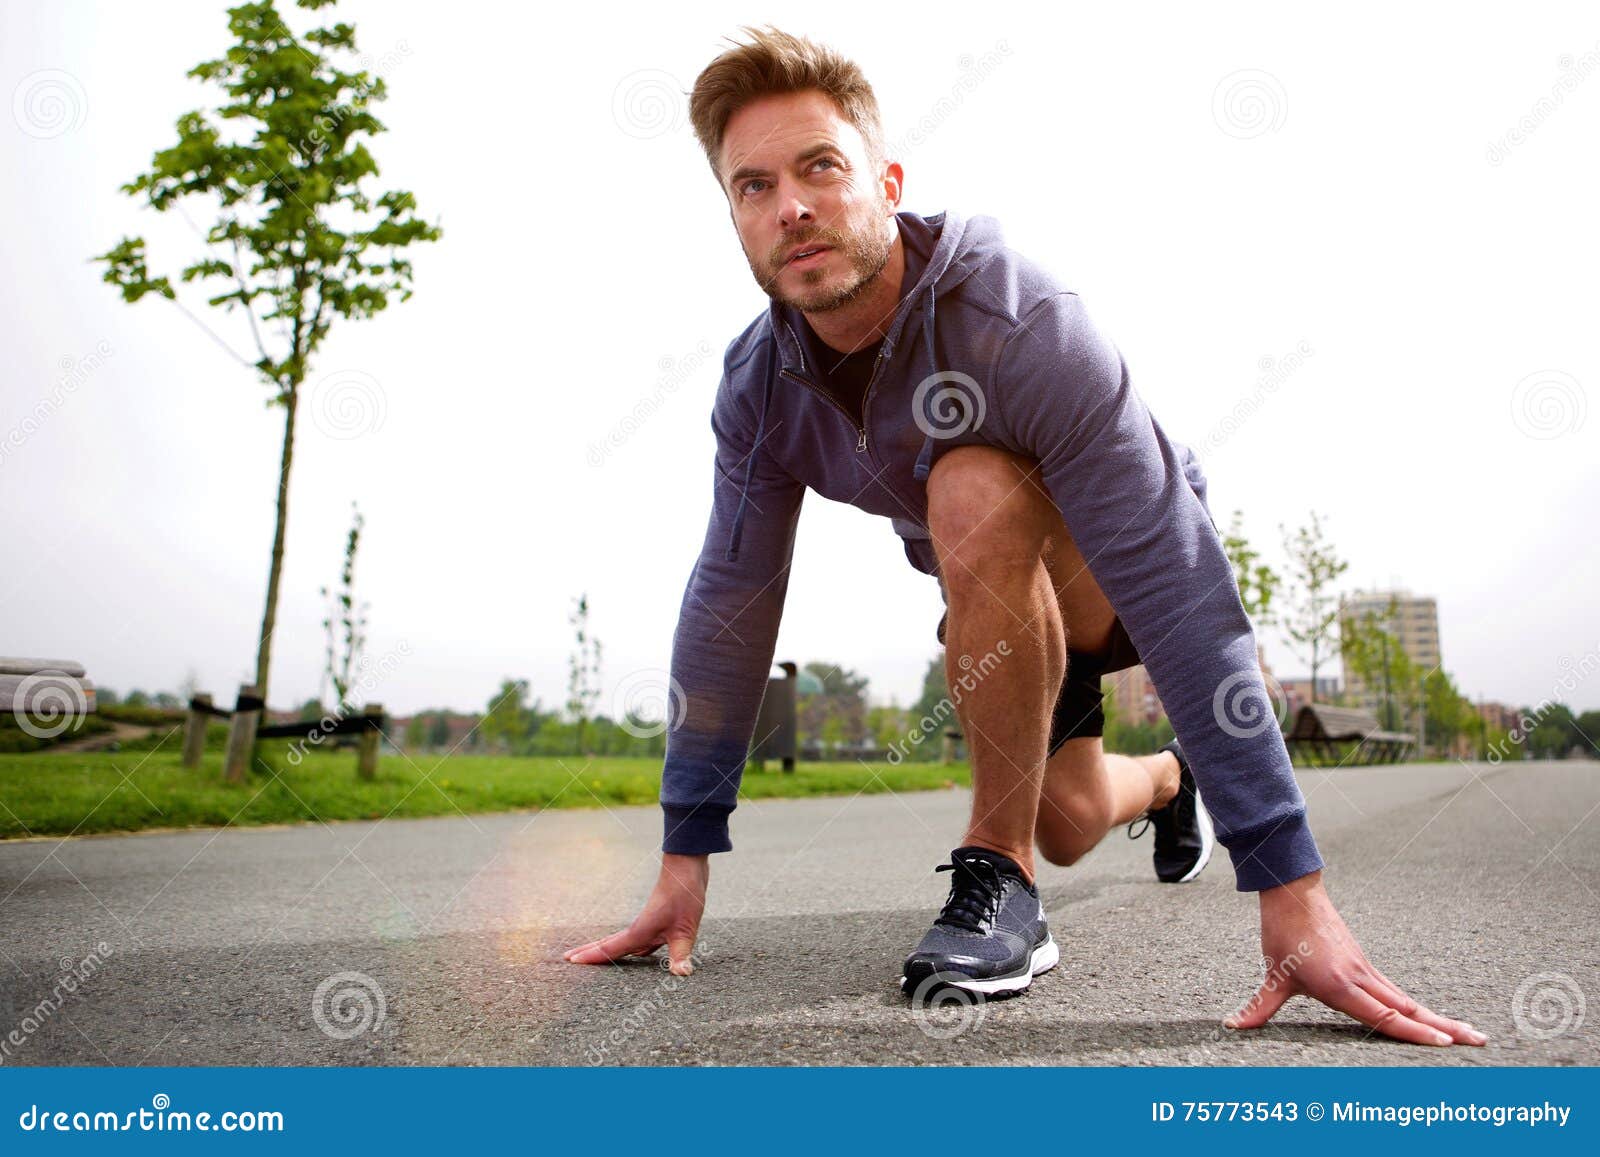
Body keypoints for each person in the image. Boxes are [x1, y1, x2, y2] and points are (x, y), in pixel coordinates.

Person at [566, 26, 1485, 1046]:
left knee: (968, 477)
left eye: (821, 166)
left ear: (887, 182)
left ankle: (998, 875)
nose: (791, 206)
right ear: (735, 217)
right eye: (753, 185)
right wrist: (683, 855)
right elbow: (731, 598)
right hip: (1003, 607)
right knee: (1074, 819)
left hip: (1116, 571)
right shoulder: (759, 386)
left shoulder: (1017, 319)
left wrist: (1289, 883)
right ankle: (1166, 780)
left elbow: (1173, 578)